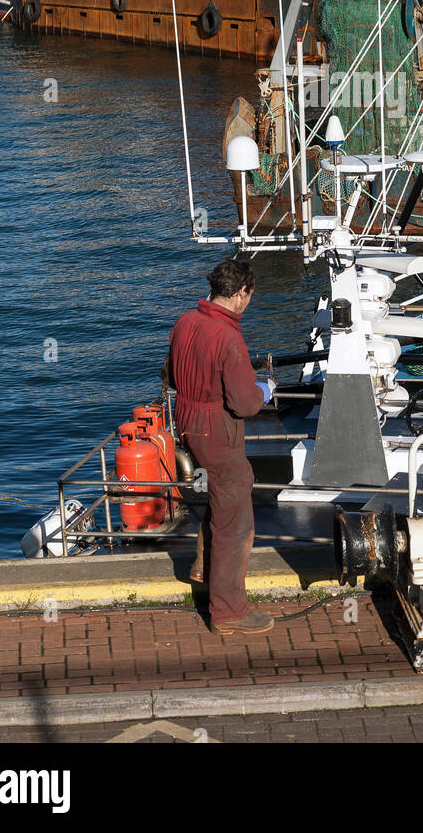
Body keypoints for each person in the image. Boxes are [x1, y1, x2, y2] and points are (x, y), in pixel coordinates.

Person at [168, 257, 275, 634]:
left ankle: (202, 567)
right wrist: (264, 390)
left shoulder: (185, 322)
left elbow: (170, 372)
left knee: (220, 498)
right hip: (217, 430)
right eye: (249, 296)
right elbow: (244, 404)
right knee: (236, 520)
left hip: (186, 421)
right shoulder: (229, 338)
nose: (248, 303)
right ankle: (229, 612)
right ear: (241, 292)